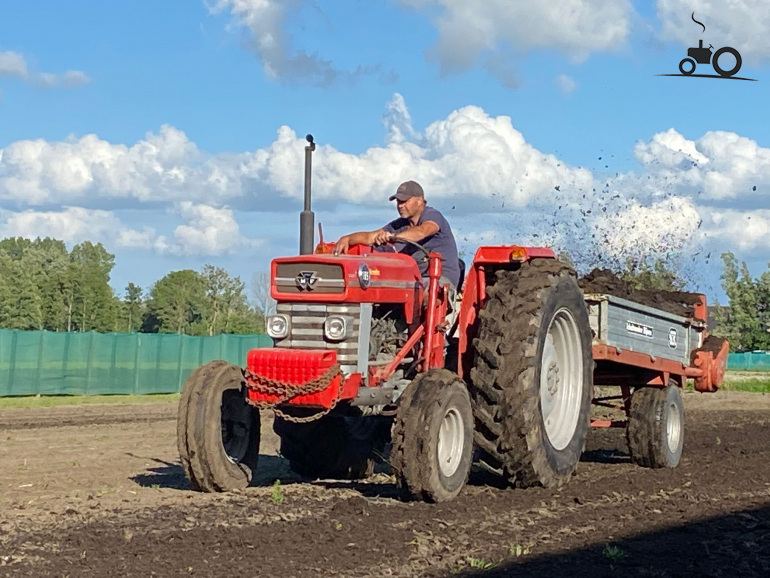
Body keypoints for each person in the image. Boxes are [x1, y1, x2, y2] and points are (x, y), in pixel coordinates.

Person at [334, 180, 461, 291]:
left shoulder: (432, 215)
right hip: (414, 280)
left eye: (405, 201)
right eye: (398, 202)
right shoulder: (399, 225)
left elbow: (422, 231)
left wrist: (393, 237)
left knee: (421, 292)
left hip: (441, 279)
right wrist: (347, 239)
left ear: (419, 200)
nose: (400, 205)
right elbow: (370, 237)